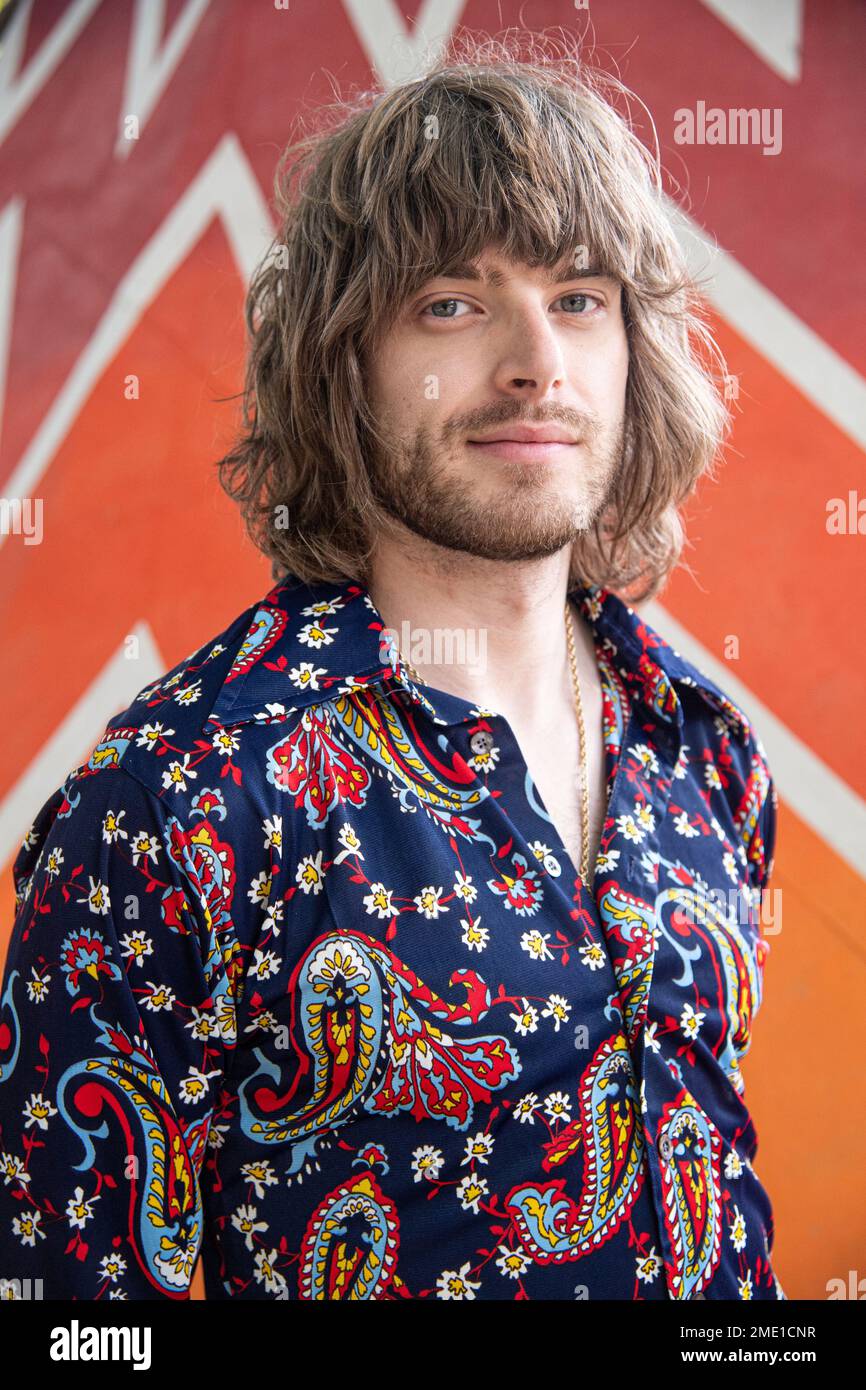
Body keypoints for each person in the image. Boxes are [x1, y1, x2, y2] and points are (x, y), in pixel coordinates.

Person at [0, 36, 782, 1300]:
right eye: (454, 303)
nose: (536, 359)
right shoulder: (176, 796)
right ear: (341, 368)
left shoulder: (702, 748)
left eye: (579, 297)